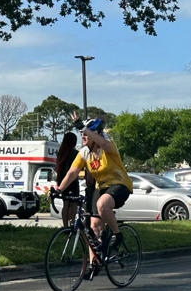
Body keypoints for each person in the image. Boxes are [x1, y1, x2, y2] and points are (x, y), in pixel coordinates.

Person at [55, 117, 133, 278]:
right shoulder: (84, 153)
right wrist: (59, 189)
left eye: (86, 134)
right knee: (93, 227)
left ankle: (117, 235)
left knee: (102, 204)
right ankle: (94, 264)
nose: (83, 136)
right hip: (101, 187)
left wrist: (84, 129)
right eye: (82, 134)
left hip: (119, 184)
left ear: (96, 134)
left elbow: (102, 142)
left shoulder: (107, 147)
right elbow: (72, 172)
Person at [55, 132, 80, 227]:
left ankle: (65, 226)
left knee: (66, 204)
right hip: (73, 182)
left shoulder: (61, 152)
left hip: (63, 181)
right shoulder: (75, 153)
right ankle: (72, 225)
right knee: (73, 204)